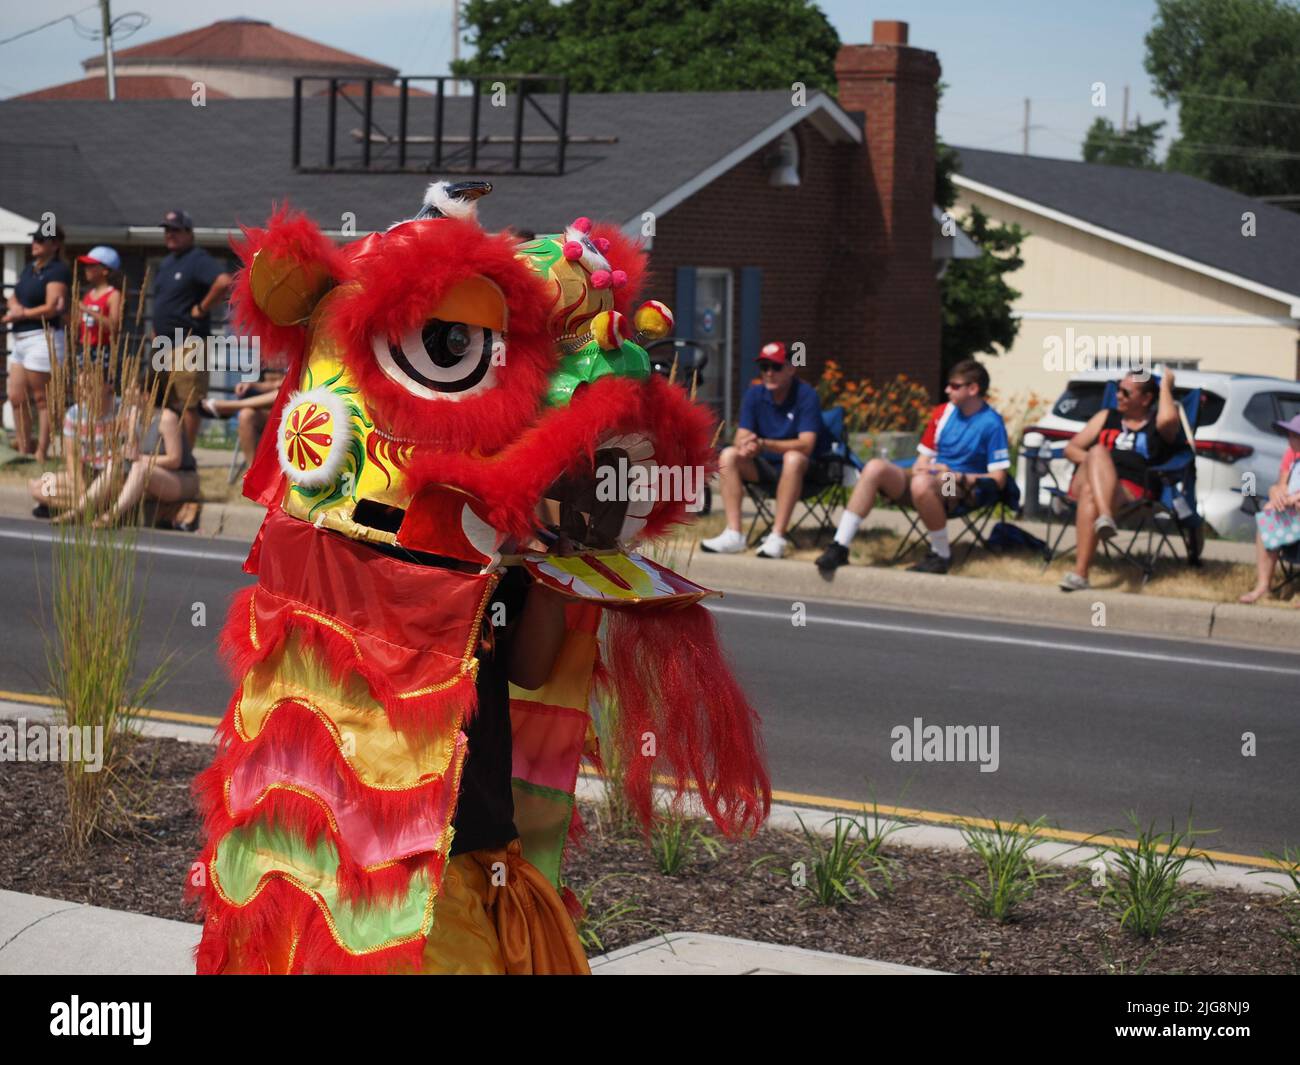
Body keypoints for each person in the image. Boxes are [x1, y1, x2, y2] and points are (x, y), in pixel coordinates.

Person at [816, 359, 1011, 575]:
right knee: (874, 467)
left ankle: (941, 555)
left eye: (954, 386)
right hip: (929, 481)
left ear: (973, 389)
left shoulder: (992, 423)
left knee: (923, 482)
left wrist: (957, 475)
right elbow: (922, 460)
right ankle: (839, 546)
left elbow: (999, 478)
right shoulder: (942, 413)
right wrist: (923, 468)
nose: (947, 390)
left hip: (961, 487)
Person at [700, 340, 831, 559]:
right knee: (729, 455)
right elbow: (742, 434)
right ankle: (734, 534)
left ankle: (777, 536)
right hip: (764, 467)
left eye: (776, 367)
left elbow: (807, 444)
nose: (769, 373)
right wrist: (747, 446)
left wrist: (763, 444)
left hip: (803, 473)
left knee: (793, 458)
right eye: (764, 367)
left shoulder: (806, 395)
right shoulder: (754, 394)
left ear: (790, 368)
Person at [1057, 371, 1182, 592]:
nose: (1118, 396)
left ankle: (1081, 574)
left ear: (1145, 399)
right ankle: (1105, 516)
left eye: (1126, 392)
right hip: (1090, 477)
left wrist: (1165, 387)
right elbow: (1071, 448)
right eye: (1118, 389)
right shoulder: (1107, 417)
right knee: (1097, 452)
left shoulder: (1157, 425)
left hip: (1130, 490)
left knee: (1089, 493)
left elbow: (1168, 419)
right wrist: (1099, 465)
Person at [150, 209, 232, 448]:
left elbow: (224, 281)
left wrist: (202, 308)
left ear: (189, 232)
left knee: (188, 403)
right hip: (163, 344)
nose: (170, 235)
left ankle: (185, 456)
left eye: (175, 230)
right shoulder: (166, 263)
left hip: (188, 342)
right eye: (166, 230)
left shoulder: (197, 259)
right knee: (160, 399)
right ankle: (167, 450)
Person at [89, 383, 200, 528]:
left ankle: (111, 516)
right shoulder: (134, 415)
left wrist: (140, 458)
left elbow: (175, 460)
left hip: (181, 478)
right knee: (116, 464)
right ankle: (82, 507)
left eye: (132, 388)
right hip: (149, 477)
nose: (126, 390)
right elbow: (132, 450)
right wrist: (124, 452)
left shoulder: (166, 418)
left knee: (140, 467)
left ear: (146, 395)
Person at [4, 226, 72, 462]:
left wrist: (22, 313)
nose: (35, 243)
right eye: (35, 239)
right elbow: (15, 294)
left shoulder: (57, 270)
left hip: (43, 338)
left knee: (43, 398)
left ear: (55, 245)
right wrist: (14, 306)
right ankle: (24, 449)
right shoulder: (29, 268)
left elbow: (53, 306)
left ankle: (42, 451)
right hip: (21, 338)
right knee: (16, 396)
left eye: (42, 240)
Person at [29, 357, 118, 520]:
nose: (84, 393)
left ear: (107, 386)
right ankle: (92, 506)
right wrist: (82, 488)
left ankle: (81, 507)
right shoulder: (74, 414)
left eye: (90, 388)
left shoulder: (123, 410)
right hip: (86, 477)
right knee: (40, 487)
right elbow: (72, 456)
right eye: (81, 388)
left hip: (113, 478)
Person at [1239, 414, 1300, 605]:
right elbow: (1281, 485)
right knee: (1267, 517)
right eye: (1289, 434)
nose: (1289, 439)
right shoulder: (1292, 456)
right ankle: (1263, 585)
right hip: (1293, 515)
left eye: (1294, 435)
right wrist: (1277, 494)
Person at [200, 371, 284, 475]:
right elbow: (275, 384)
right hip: (271, 410)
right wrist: (252, 385)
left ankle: (231, 406)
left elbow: (285, 387)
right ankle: (253, 473)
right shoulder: (266, 359)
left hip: (292, 410)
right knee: (245, 415)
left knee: (284, 391)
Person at [76, 246, 123, 360]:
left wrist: (87, 310)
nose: (86, 269)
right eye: (86, 265)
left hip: (102, 349)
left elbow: (113, 326)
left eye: (91, 265)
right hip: (85, 347)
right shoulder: (89, 294)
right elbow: (78, 324)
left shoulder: (113, 294)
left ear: (105, 270)